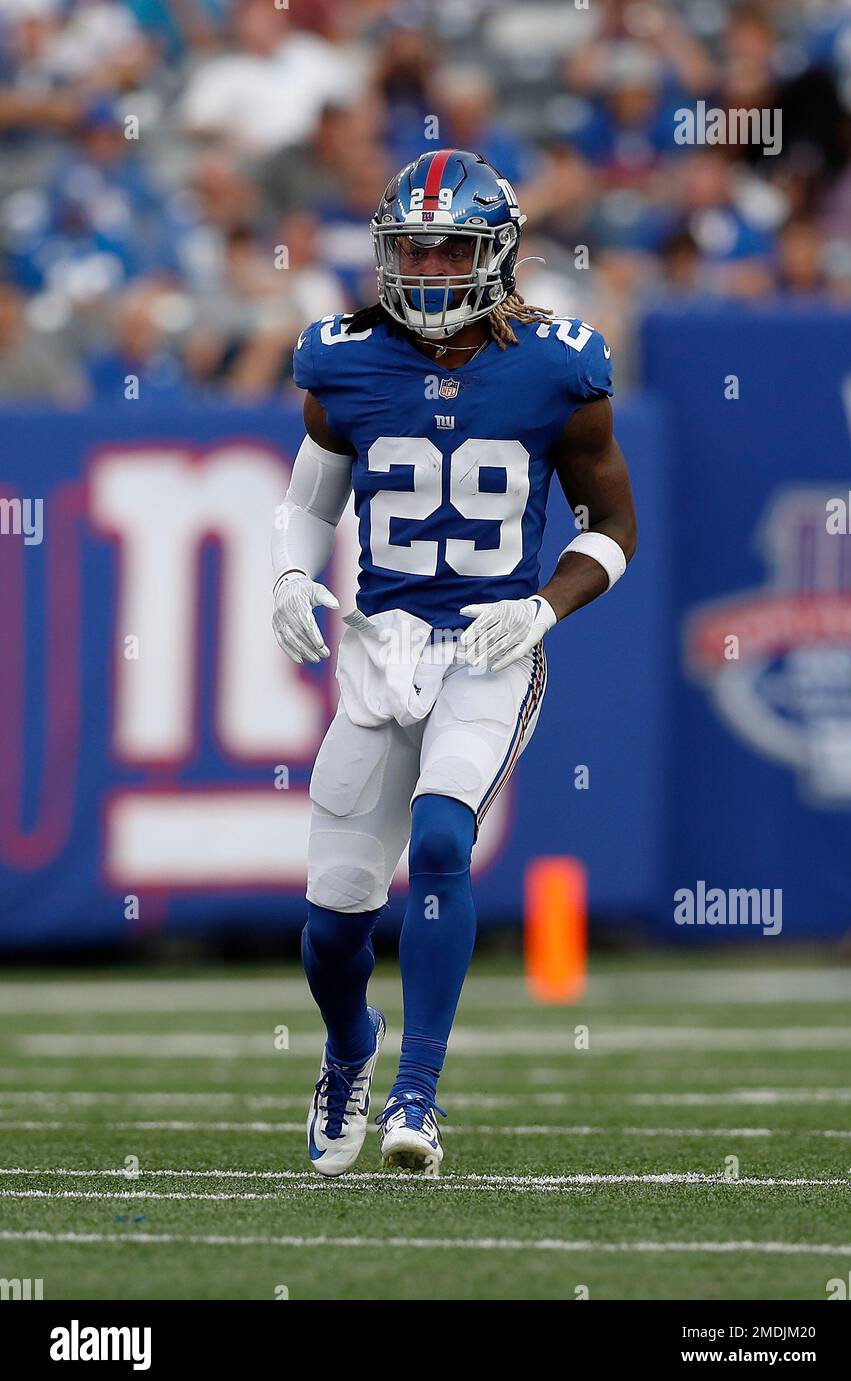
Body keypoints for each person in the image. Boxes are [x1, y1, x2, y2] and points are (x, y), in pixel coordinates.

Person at [271, 150, 637, 1177]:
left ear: (495, 253)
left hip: (487, 645)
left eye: (449, 247)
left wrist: (541, 606)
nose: (428, 267)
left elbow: (610, 524)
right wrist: (289, 579)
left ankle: (418, 1099)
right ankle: (350, 1045)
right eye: (412, 247)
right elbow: (308, 502)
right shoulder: (341, 359)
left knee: (440, 840)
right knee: (332, 922)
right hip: (380, 654)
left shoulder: (557, 366)